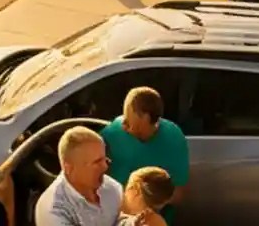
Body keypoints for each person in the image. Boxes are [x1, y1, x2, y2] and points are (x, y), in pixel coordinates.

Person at [100, 88, 189, 224]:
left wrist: (145, 203)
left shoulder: (173, 138)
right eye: (123, 118)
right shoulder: (110, 134)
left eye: (128, 121)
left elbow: (179, 192)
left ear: (146, 117)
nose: (123, 125)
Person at [34, 126, 123, 226]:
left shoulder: (112, 188)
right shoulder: (53, 210)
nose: (105, 167)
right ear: (69, 168)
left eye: (105, 159)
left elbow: (123, 219)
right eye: (97, 162)